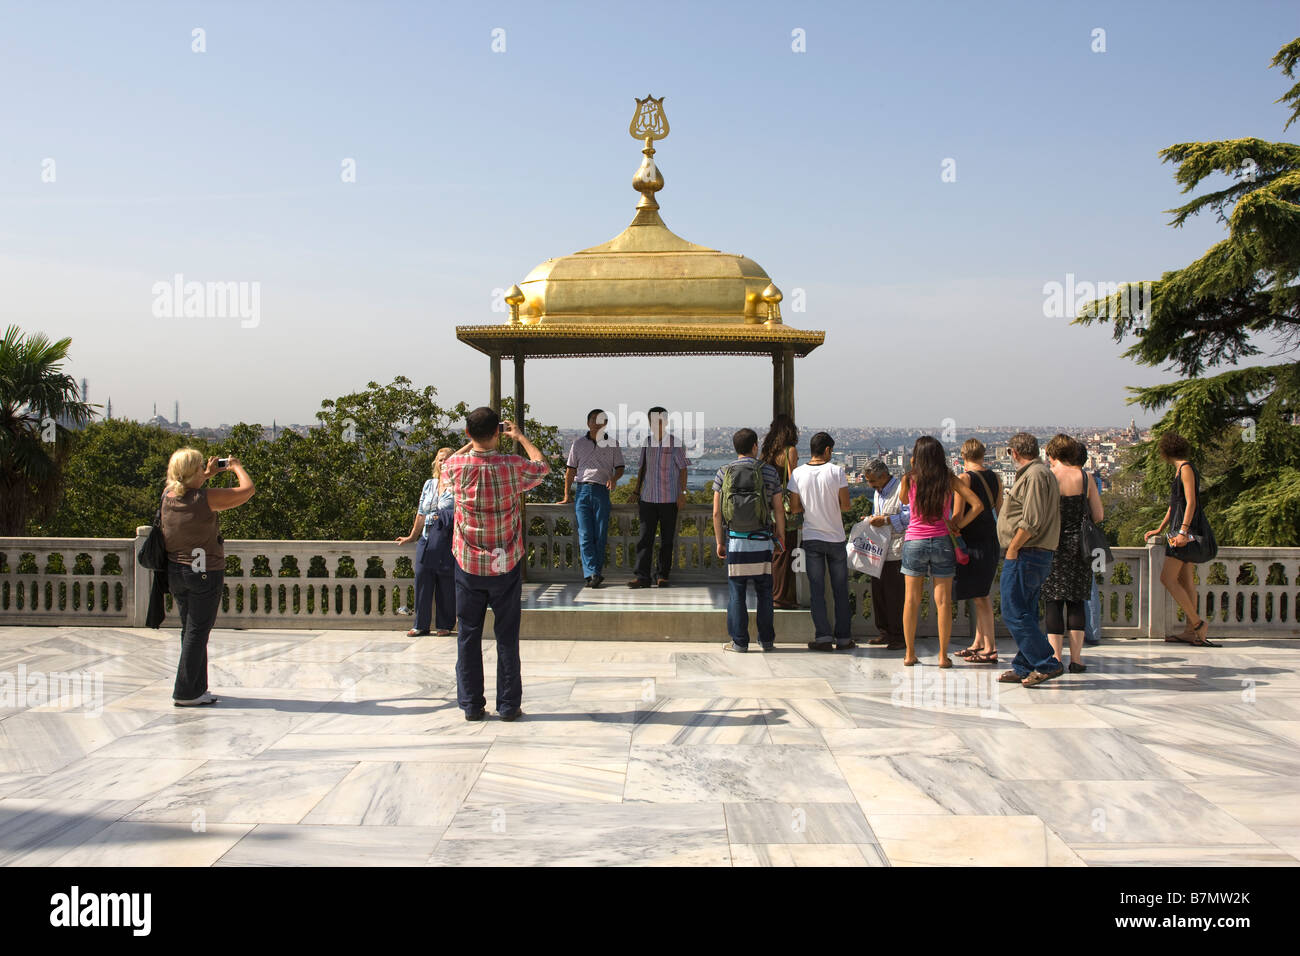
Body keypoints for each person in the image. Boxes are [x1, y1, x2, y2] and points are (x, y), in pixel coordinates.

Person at [442, 407, 550, 721]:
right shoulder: (511, 465)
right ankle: (508, 705)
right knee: (506, 636)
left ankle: (472, 705)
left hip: (469, 562)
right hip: (505, 562)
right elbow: (541, 467)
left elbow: (446, 466)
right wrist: (519, 436)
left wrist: (470, 444)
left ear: (467, 433)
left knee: (468, 635)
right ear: (497, 433)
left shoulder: (457, 466)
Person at [160, 449, 255, 706]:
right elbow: (247, 490)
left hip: (176, 571)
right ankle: (186, 692)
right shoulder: (204, 499)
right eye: (200, 466)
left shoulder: (168, 496)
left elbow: (187, 487)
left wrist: (207, 475)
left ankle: (196, 687)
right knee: (198, 632)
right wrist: (235, 466)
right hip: (203, 572)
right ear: (193, 472)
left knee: (190, 630)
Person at [897, 436, 984, 668]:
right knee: (943, 601)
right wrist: (958, 524)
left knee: (911, 601)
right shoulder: (948, 478)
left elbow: (903, 499)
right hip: (943, 540)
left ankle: (909, 653)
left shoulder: (909, 478)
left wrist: (912, 466)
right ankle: (943, 655)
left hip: (915, 540)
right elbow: (977, 505)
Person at [997, 432, 1065, 687]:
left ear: (1014, 452)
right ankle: (1024, 665)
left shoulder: (1035, 475)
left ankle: (1046, 663)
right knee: (1025, 610)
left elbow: (1032, 520)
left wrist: (1013, 548)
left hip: (1027, 551)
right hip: (1033, 552)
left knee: (1013, 611)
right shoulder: (1040, 473)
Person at [713, 428, 785, 652]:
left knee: (737, 593)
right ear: (755, 446)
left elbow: (716, 512)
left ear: (736, 448)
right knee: (765, 593)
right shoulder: (769, 472)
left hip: (736, 542)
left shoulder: (723, 472)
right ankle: (766, 640)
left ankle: (739, 641)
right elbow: (779, 510)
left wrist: (720, 542)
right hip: (762, 540)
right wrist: (780, 536)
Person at [1144, 432, 1217, 646]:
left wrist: (1183, 532)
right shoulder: (1181, 469)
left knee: (1167, 578)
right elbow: (1175, 505)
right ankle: (1190, 631)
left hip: (1183, 532)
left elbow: (1191, 502)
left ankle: (1197, 623)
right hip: (1178, 530)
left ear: (1166, 451)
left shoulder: (1185, 468)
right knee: (1186, 582)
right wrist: (1160, 528)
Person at [786, 431, 854, 650]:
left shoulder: (797, 473)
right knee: (840, 590)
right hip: (835, 537)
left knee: (817, 591)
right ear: (827, 450)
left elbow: (795, 507)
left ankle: (823, 636)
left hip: (812, 537)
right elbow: (846, 505)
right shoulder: (837, 472)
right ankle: (843, 637)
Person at [1042, 435, 1104, 673]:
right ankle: (1076, 659)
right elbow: (1098, 516)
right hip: (1080, 545)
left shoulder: (1050, 478)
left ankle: (1056, 658)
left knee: (1054, 602)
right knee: (1076, 601)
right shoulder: (1086, 478)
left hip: (1053, 543)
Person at [397, 445, 469, 637]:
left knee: (446, 581)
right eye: (440, 458)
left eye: (447, 458)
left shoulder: (458, 485)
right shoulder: (429, 484)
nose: (443, 461)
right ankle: (420, 624)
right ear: (435, 462)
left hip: (447, 539)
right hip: (427, 538)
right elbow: (421, 512)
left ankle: (445, 624)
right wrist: (412, 536)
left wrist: (470, 442)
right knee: (422, 578)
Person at [561, 409, 623, 588]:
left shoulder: (613, 444)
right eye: (594, 420)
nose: (597, 423)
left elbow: (619, 467)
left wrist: (614, 478)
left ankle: (595, 573)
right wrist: (567, 494)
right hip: (582, 490)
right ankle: (591, 573)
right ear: (588, 423)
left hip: (601, 490)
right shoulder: (578, 444)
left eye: (601, 420)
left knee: (600, 534)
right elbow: (570, 470)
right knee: (585, 534)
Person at [628, 406, 688, 588]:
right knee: (645, 539)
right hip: (648, 498)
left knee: (667, 540)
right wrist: (636, 490)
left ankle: (662, 575)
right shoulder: (647, 442)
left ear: (666, 421)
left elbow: (683, 469)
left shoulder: (676, 443)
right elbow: (642, 468)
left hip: (669, 498)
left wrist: (682, 493)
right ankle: (642, 577)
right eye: (652, 420)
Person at [954, 439, 1003, 664]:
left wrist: (954, 527)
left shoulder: (964, 479)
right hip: (991, 540)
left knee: (981, 597)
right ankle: (978, 643)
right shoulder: (996, 478)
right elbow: (1000, 510)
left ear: (964, 456)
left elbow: (957, 515)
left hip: (972, 542)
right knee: (979, 594)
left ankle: (990, 648)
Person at [862, 460, 908, 650]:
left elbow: (910, 516)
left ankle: (898, 634)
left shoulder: (900, 489)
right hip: (879, 550)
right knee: (879, 594)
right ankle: (885, 631)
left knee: (894, 595)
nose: (870, 485)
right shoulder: (877, 492)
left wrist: (887, 520)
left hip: (896, 550)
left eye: (872, 481)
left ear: (883, 476)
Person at [760, 414, 801, 609]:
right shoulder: (789, 451)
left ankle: (772, 593)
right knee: (784, 553)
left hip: (766, 508)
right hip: (784, 510)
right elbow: (794, 481)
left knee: (772, 553)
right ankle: (781, 596)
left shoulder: (767, 451)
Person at [1078, 448, 1105, 647]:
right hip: (1087, 538)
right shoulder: (1090, 479)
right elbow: (1098, 516)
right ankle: (1092, 630)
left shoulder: (1057, 478)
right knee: (1089, 584)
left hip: (1061, 538)